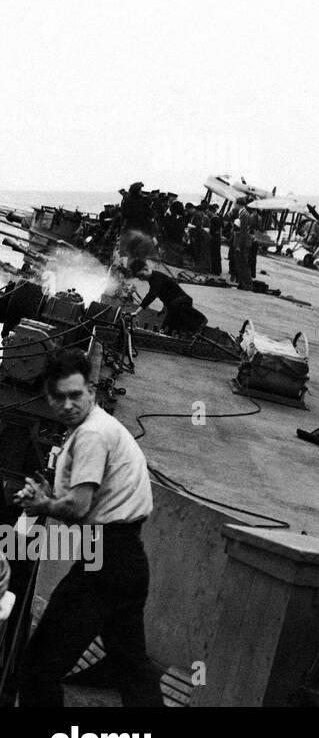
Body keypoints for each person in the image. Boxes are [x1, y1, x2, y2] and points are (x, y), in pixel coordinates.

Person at [15, 349, 163, 707]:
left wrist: (42, 506)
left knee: (39, 667)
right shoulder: (96, 428)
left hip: (105, 563)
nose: (67, 404)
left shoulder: (92, 434)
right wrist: (51, 497)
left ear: (91, 393)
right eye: (59, 397)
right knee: (131, 666)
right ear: (48, 398)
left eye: (75, 395)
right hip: (125, 560)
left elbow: (79, 506)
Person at [130, 261, 207, 335]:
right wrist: (164, 308)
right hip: (175, 304)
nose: (141, 279)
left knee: (173, 315)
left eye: (142, 275)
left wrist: (137, 312)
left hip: (183, 301)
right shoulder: (153, 280)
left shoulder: (157, 278)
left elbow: (151, 295)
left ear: (145, 268)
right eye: (139, 277)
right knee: (164, 328)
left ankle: (200, 320)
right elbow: (166, 294)